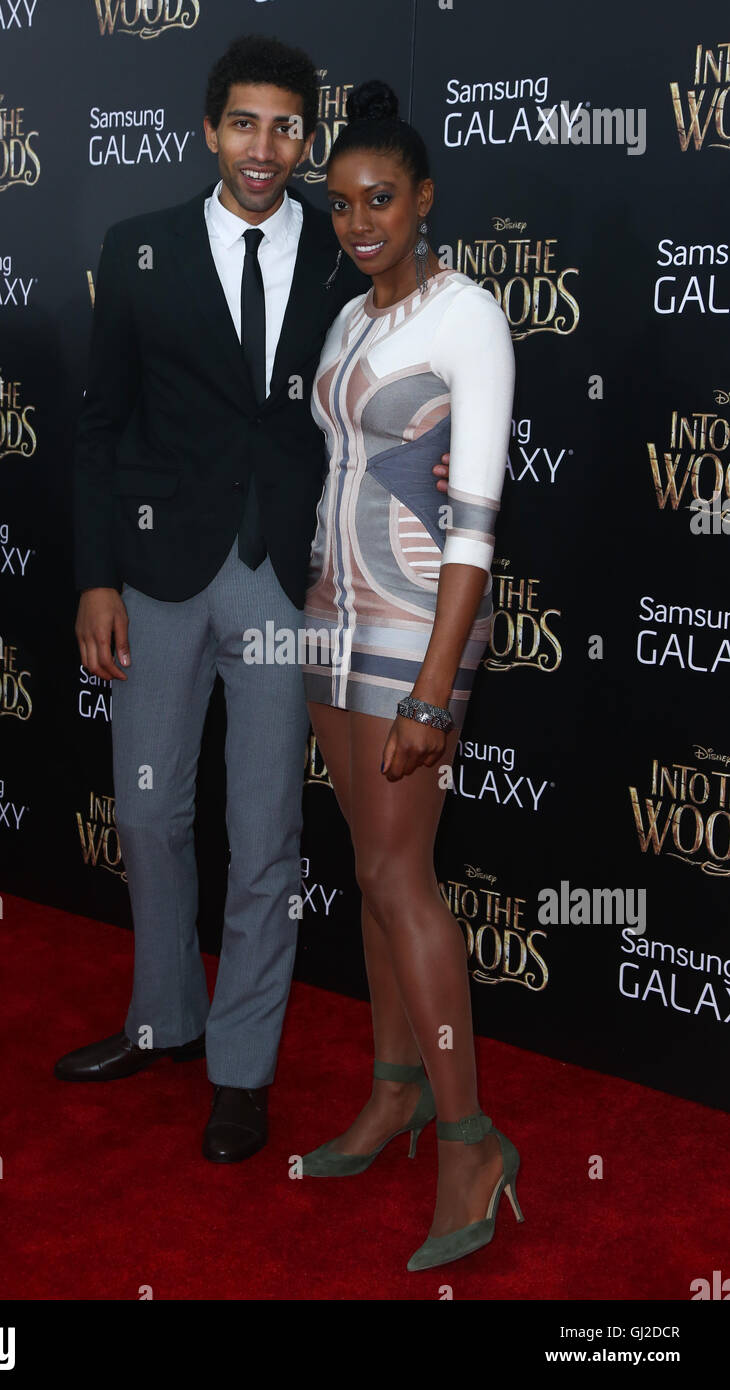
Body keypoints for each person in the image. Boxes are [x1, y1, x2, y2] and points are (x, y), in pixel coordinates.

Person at [58, 37, 451, 1163]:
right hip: (158, 571)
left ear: (306, 140)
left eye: (286, 127)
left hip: (289, 583)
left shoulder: (346, 257)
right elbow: (96, 429)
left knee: (265, 838)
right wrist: (94, 576)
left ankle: (241, 1067)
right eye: (244, 123)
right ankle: (163, 1017)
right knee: (147, 812)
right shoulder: (138, 252)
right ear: (207, 129)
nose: (264, 148)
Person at [298, 80, 521, 1271]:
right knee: (368, 873)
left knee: (401, 875)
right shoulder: (346, 325)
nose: (358, 222)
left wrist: (436, 688)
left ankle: (468, 1139)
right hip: (327, 624)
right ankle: (391, 1092)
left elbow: (475, 523)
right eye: (338, 205)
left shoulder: (467, 317)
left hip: (413, 632)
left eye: (378, 199)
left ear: (423, 198)